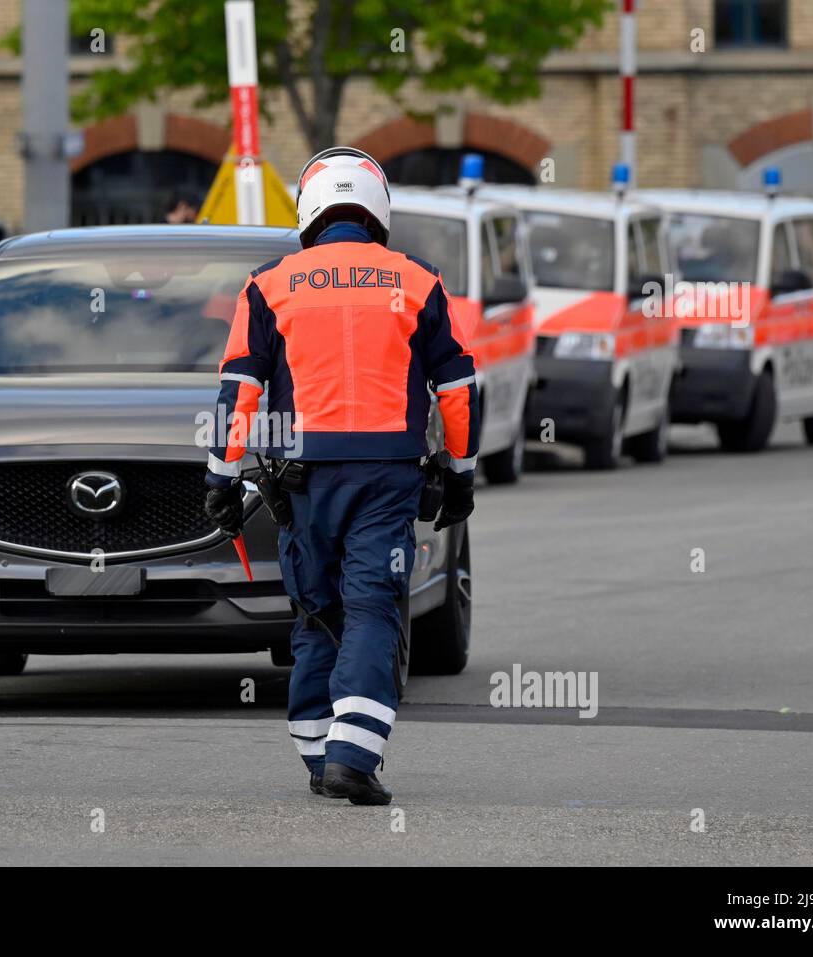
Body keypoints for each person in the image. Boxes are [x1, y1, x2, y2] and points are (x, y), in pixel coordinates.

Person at [202, 146, 479, 805]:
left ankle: (321, 750)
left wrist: (220, 476)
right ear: (378, 208)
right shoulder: (417, 279)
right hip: (387, 476)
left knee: (315, 608)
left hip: (303, 480)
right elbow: (460, 387)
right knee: (374, 605)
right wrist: (461, 473)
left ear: (311, 208)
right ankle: (352, 757)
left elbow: (237, 390)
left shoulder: (269, 283)